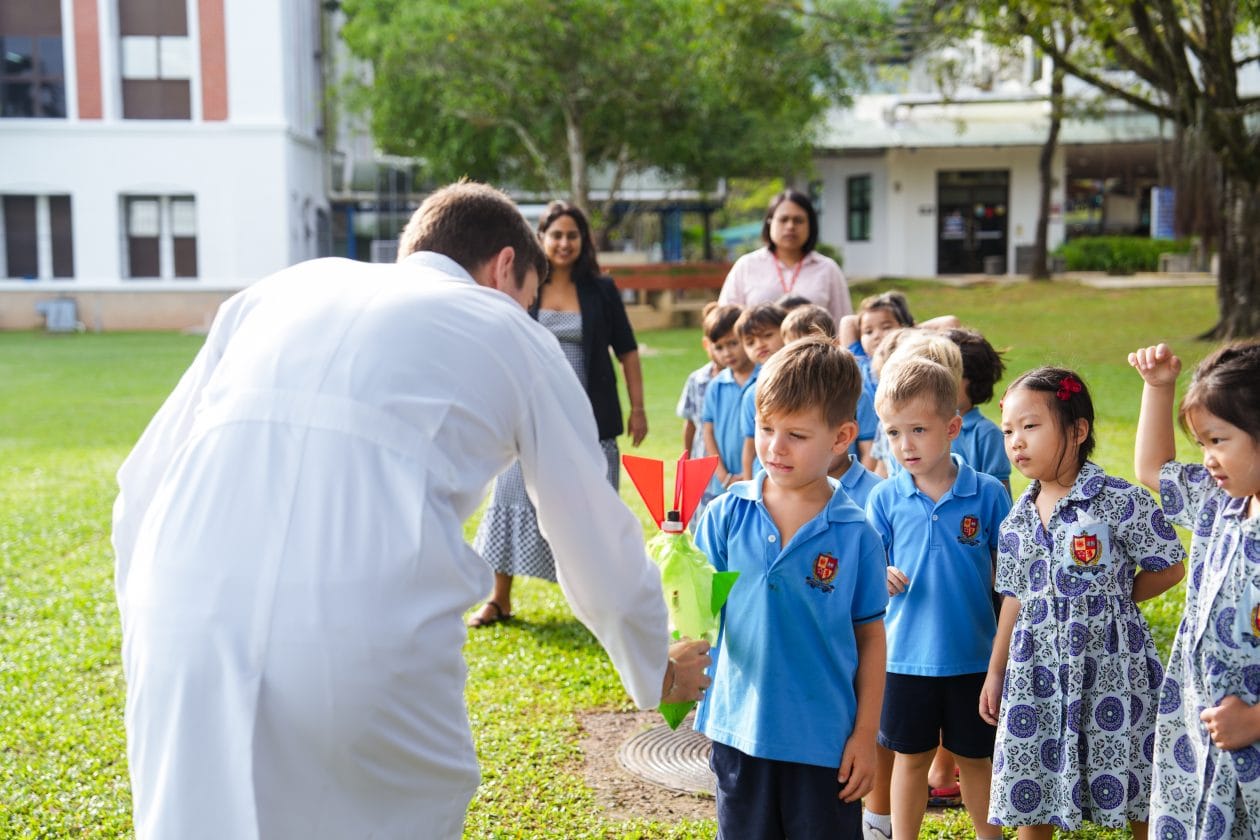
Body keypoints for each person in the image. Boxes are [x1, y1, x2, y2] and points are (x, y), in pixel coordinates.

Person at [111, 181, 712, 839]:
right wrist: (655, 668)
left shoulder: (276, 292)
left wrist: (149, 616)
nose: (529, 313)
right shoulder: (508, 326)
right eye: (529, 298)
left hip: (175, 615)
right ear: (505, 266)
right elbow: (590, 531)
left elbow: (141, 488)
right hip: (363, 634)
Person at [694, 337, 888, 839]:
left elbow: (870, 637)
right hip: (739, 733)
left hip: (825, 743)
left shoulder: (856, 534)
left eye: (797, 435)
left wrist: (866, 735)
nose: (775, 448)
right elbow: (694, 616)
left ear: (842, 436)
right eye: (765, 428)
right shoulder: (724, 517)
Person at [984, 366, 1185, 838]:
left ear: (1077, 430)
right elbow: (1014, 596)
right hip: (1036, 673)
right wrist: (995, 671)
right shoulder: (1016, 521)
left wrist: (1114, 599)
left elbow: (1170, 566)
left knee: (1135, 774)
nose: (1016, 441)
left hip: (1113, 669)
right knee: (1032, 780)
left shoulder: (1120, 501)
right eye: (1009, 430)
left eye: (1030, 426)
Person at [468, 200, 647, 628]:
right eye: (556, 234)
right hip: (527, 412)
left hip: (591, 414)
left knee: (593, 504)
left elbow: (627, 351)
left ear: (584, 241)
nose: (564, 243)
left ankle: (603, 606)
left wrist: (638, 408)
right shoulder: (522, 283)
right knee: (510, 492)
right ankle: (499, 599)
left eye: (573, 235)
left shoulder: (602, 289)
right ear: (541, 239)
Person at [864, 357, 1010, 840]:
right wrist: (879, 574)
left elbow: (1009, 576)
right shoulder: (883, 498)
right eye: (892, 433)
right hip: (904, 658)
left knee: (975, 760)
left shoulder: (988, 494)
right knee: (910, 760)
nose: (905, 445)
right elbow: (867, 571)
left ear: (952, 427)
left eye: (918, 430)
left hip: (972, 656)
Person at [1130, 341, 1260, 839]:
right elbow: (1153, 470)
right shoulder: (1218, 501)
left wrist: (1254, 721)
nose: (1206, 458)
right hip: (1195, 730)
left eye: (1218, 440)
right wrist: (1157, 388)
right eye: (1201, 443)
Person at [718, 189, 853, 326]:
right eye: (783, 219)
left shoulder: (828, 269)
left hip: (812, 347)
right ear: (769, 222)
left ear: (811, 226)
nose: (790, 226)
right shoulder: (746, 265)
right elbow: (724, 321)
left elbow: (843, 325)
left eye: (798, 220)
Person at [946, 327, 1011, 495]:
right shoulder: (923, 428)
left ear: (974, 381)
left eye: (950, 375)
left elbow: (1000, 501)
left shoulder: (987, 435)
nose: (939, 382)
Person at [701, 305, 757, 492]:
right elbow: (708, 432)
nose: (727, 353)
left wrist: (749, 475)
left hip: (760, 479)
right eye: (719, 347)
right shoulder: (715, 386)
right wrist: (723, 475)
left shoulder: (767, 380)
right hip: (724, 484)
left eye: (733, 343)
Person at [735, 303, 788, 479]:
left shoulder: (812, 384)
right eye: (750, 342)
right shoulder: (752, 393)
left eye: (767, 335)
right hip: (766, 478)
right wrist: (749, 486)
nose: (759, 344)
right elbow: (749, 445)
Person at [678, 301, 723, 459]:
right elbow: (690, 423)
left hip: (731, 463)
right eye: (718, 346)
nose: (725, 353)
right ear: (706, 344)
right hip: (701, 460)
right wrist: (686, 457)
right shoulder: (696, 379)